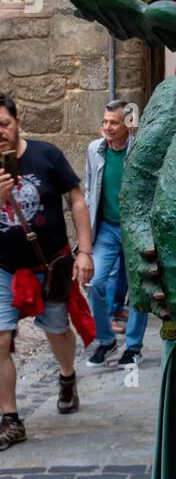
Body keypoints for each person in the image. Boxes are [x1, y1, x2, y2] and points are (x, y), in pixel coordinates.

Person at [0, 94, 94, 448]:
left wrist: (84, 251)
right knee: (0, 339)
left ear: (17, 122)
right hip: (4, 268)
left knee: (56, 331)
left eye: (4, 124)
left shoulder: (46, 155)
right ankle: (10, 419)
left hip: (50, 264)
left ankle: (67, 375)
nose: (0, 133)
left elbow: (76, 200)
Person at [84, 101, 148, 370]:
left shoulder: (141, 151)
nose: (107, 127)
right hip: (107, 228)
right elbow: (89, 187)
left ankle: (133, 347)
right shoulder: (94, 150)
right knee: (95, 283)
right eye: (105, 121)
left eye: (114, 123)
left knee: (139, 288)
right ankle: (106, 339)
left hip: (135, 227)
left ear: (128, 126)